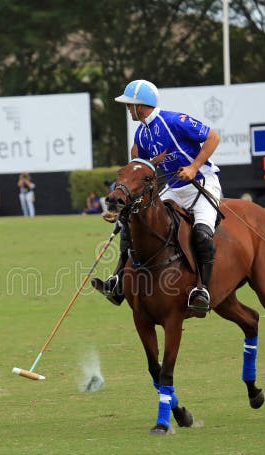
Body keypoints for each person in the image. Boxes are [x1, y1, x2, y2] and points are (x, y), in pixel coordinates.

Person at [91, 80, 222, 315]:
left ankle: (203, 290)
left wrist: (193, 167)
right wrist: (120, 209)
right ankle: (118, 281)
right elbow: (135, 171)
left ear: (140, 106)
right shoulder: (141, 133)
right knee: (132, 223)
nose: (127, 109)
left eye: (129, 105)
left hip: (202, 183)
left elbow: (212, 137)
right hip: (173, 188)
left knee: (202, 234)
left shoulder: (173, 121)